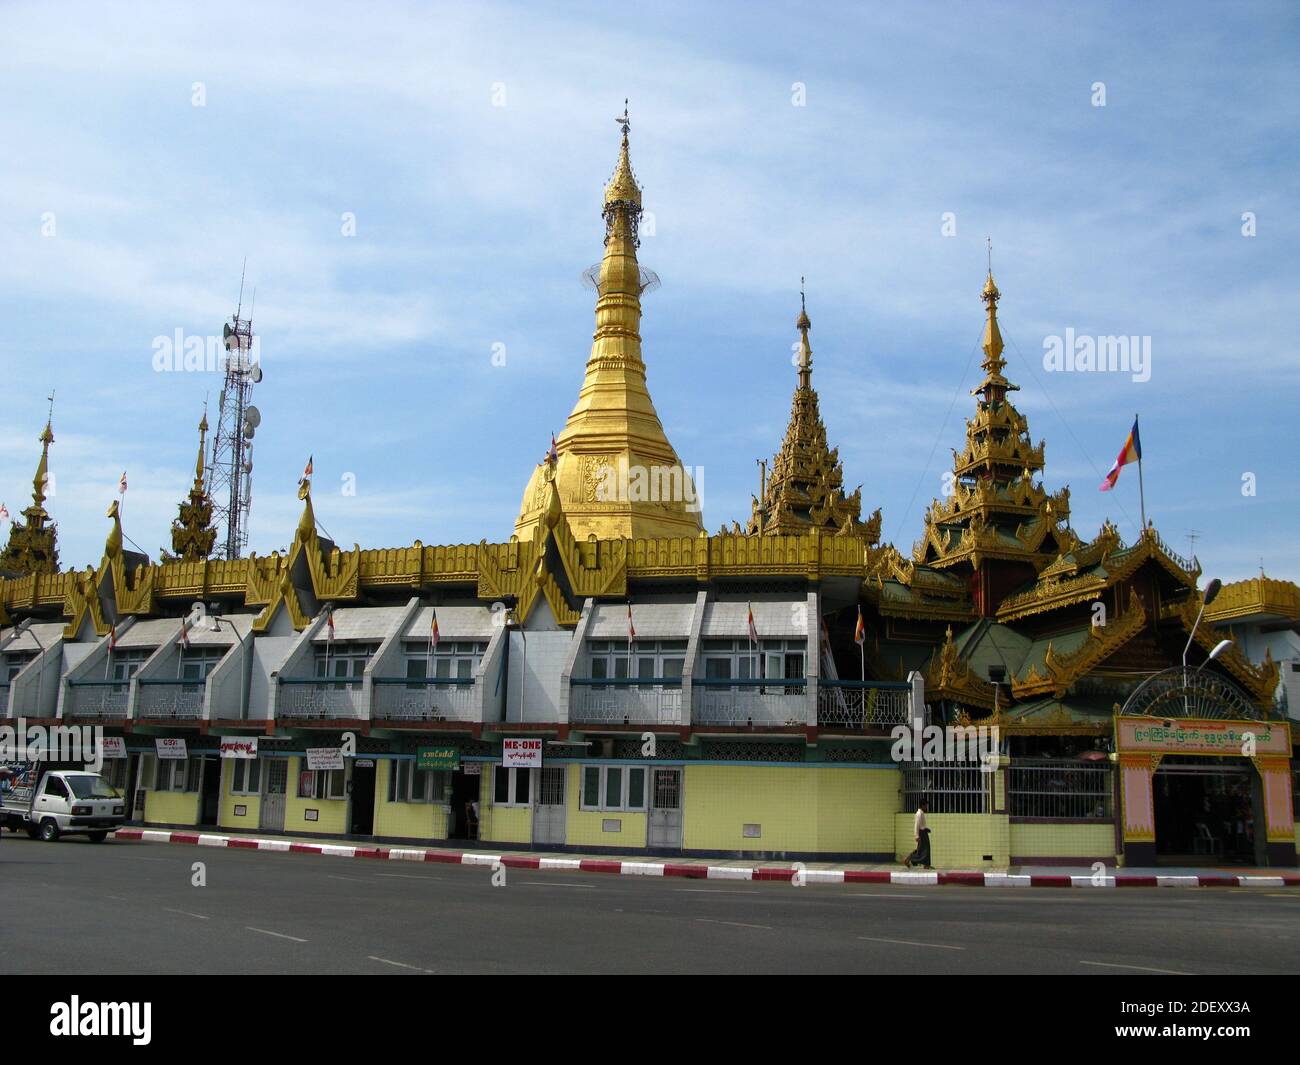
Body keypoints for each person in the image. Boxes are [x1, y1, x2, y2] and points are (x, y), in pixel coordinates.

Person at [904, 798, 932, 869]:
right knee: (924, 850)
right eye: (926, 805)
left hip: (923, 832)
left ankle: (926, 864)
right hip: (922, 834)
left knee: (923, 849)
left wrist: (926, 829)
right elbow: (917, 825)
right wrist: (917, 836)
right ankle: (909, 859)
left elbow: (921, 825)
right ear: (922, 805)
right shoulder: (919, 814)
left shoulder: (921, 813)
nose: (926, 807)